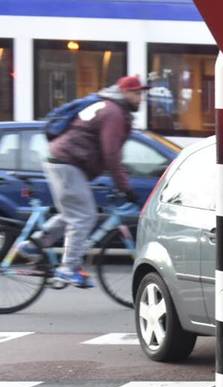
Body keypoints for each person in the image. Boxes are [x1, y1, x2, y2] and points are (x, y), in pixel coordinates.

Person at [23, 76, 148, 287]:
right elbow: (111, 154)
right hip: (68, 163)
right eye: (136, 93)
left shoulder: (106, 105)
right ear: (124, 92)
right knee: (84, 216)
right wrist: (125, 187)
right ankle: (68, 268)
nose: (140, 98)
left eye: (141, 94)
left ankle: (32, 245)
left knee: (70, 215)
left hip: (62, 160)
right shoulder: (114, 112)